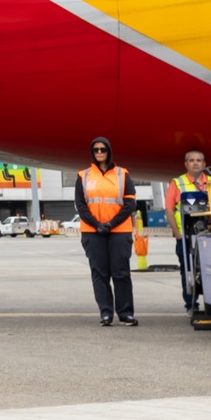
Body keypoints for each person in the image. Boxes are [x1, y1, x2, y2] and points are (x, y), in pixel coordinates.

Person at [75, 136, 140, 326]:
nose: (99, 153)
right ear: (92, 153)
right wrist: (96, 224)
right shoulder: (83, 176)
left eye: (103, 149)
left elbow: (130, 204)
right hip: (92, 232)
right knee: (100, 273)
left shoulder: (122, 174)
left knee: (121, 273)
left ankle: (126, 313)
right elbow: (81, 205)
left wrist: (110, 224)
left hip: (119, 230)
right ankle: (106, 313)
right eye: (96, 150)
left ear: (109, 151)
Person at [164, 149, 211, 309]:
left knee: (210, 270)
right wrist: (177, 234)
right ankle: (190, 303)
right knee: (187, 271)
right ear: (186, 164)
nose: (195, 163)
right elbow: (169, 210)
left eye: (199, 160)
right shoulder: (177, 183)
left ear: (204, 164)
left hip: (209, 235)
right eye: (192, 160)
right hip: (186, 236)